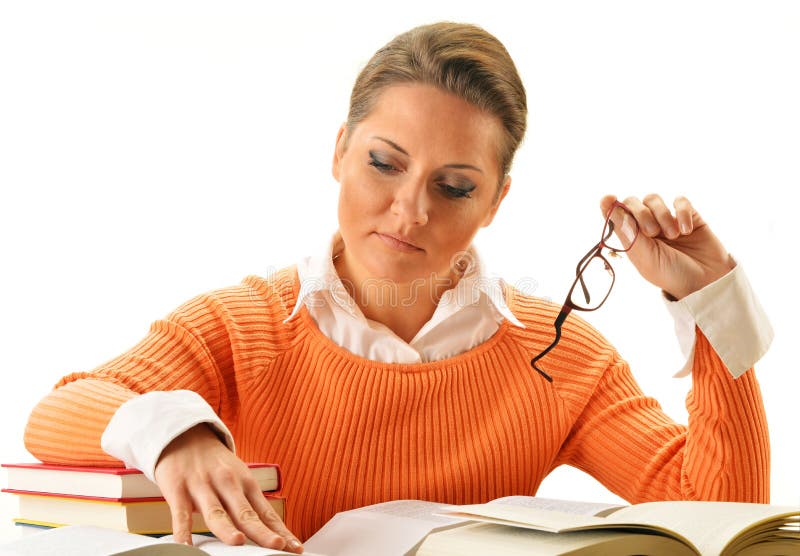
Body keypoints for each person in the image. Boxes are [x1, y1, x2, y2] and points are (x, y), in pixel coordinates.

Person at [23, 22, 772, 554]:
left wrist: (710, 305)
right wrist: (175, 434)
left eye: (454, 186)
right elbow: (57, 413)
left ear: (495, 202)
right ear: (341, 151)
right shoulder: (243, 324)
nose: (410, 211)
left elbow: (722, 515)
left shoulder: (559, 354)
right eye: (385, 163)